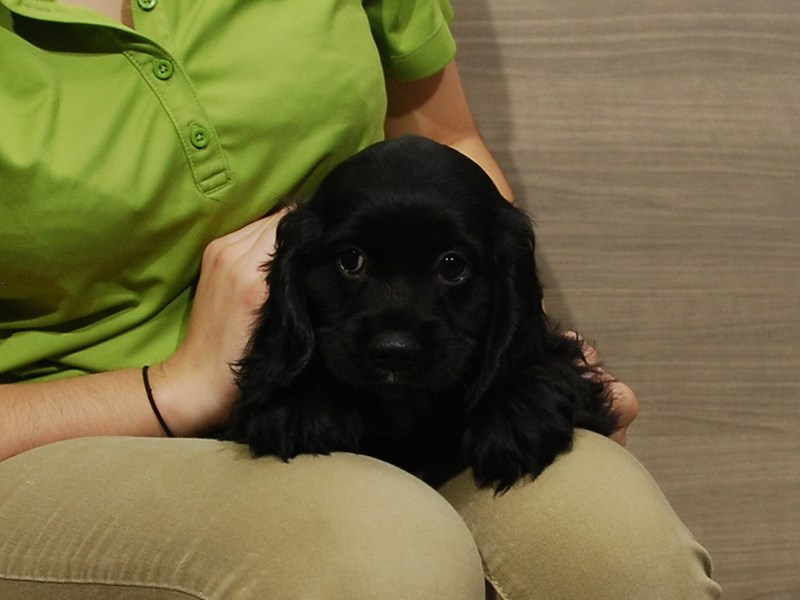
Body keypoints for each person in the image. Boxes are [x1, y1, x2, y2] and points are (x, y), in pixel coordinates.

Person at [0, 1, 719, 598]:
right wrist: (171, 390)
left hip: (397, 396)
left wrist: (527, 349)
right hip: (64, 436)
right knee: (383, 556)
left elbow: (444, 139)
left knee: (623, 552)